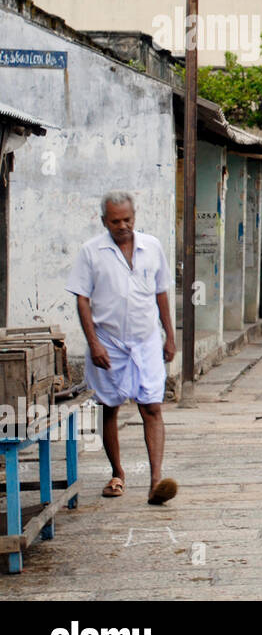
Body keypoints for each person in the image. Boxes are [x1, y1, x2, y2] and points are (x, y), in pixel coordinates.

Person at [66, 191, 178, 505]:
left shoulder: (152, 247)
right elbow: (81, 299)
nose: (123, 226)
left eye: (127, 219)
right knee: (110, 407)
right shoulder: (91, 252)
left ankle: (157, 481)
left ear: (134, 216)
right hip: (108, 344)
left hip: (146, 341)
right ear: (105, 221)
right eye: (115, 221)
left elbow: (161, 294)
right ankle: (118, 473)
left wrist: (170, 336)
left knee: (152, 407)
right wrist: (93, 343)